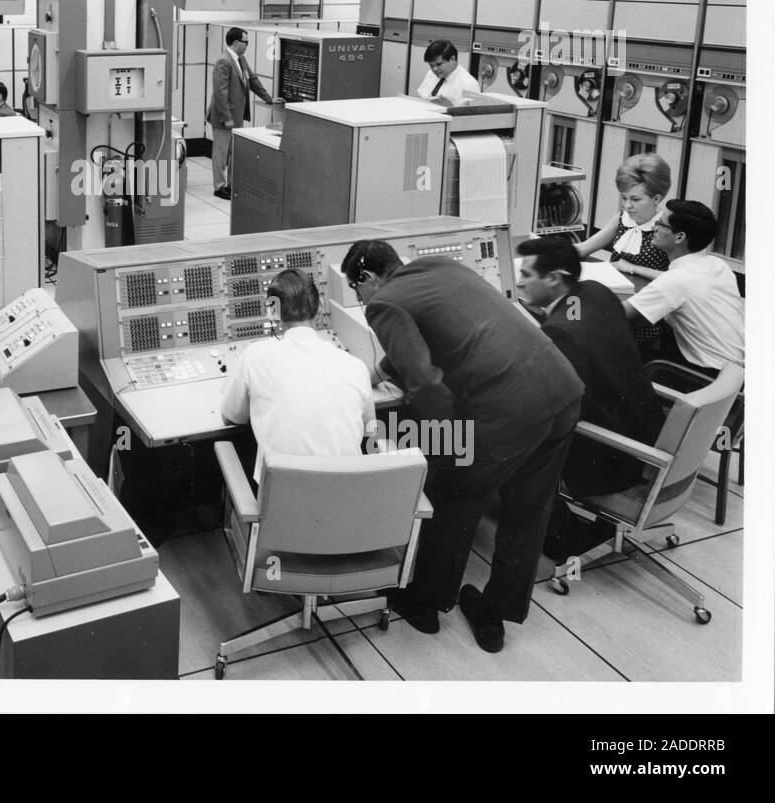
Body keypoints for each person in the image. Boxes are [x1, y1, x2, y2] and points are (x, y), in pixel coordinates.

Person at [340, 239, 583, 653]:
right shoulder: (439, 266)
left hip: (506, 408)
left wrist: (449, 446)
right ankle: (495, 614)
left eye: (355, 290)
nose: (360, 300)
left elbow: (426, 385)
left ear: (367, 278)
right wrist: (378, 372)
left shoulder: (384, 303)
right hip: (561, 389)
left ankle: (425, 605)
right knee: (528, 509)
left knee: (449, 496)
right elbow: (431, 334)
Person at [515, 238, 666, 561]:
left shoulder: (561, 335)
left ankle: (557, 536)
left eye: (527, 275)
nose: (519, 282)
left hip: (608, 459)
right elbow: (578, 323)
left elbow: (549, 409)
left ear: (554, 278)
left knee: (514, 438)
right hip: (645, 434)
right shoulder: (596, 292)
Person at [220, 269, 373, 482]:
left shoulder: (254, 356)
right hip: (348, 504)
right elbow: (369, 429)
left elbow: (230, 416)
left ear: (273, 312)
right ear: (320, 306)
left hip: (282, 509)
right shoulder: (356, 366)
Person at [624, 199, 745, 379]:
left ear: (679, 237)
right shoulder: (719, 266)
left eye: (660, 223)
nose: (654, 228)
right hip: (736, 375)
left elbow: (617, 313)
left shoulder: (675, 281)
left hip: (703, 377)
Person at [576, 153, 673, 351]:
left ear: (657, 198)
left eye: (636, 199)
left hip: (642, 317)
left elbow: (678, 278)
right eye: (624, 198)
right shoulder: (622, 218)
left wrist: (632, 268)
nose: (627, 205)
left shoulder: (667, 228)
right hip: (614, 301)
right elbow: (584, 248)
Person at [206, 27, 278, 200]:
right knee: (221, 153)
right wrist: (226, 118)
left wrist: (269, 99)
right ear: (236, 42)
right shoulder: (223, 61)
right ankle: (219, 186)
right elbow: (220, 92)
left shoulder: (240, 59)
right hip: (225, 117)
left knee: (233, 153)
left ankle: (231, 184)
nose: (247, 45)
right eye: (246, 42)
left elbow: (252, 80)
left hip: (236, 116)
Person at [416, 39, 481, 107]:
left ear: (452, 59)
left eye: (439, 64)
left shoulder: (468, 84)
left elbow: (472, 116)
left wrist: (450, 108)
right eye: (431, 65)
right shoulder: (432, 74)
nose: (434, 69)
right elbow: (420, 96)